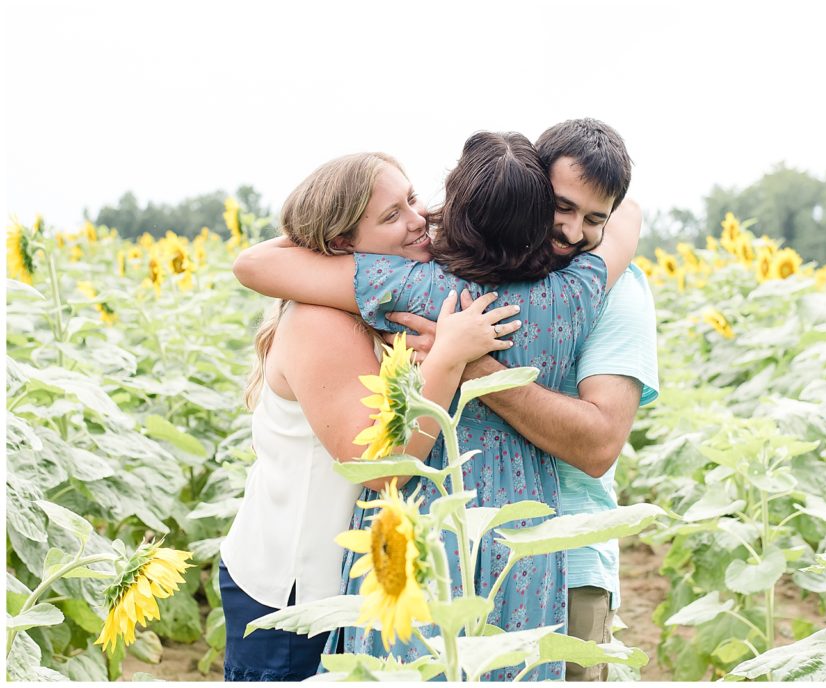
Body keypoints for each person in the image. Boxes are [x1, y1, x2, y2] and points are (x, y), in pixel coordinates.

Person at [232, 130, 642, 680]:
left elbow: (255, 264)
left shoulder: (416, 288)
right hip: (300, 577)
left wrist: (457, 358)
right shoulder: (578, 289)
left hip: (412, 534)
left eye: (417, 203)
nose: (420, 220)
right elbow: (629, 219)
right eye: (559, 208)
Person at [219, 152, 524, 681]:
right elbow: (378, 466)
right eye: (391, 216)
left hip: (343, 582)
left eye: (411, 198)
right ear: (340, 245)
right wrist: (452, 357)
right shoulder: (321, 322)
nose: (417, 219)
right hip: (292, 591)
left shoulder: (372, 300)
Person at [384, 118, 659, 681]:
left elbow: (600, 443)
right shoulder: (463, 265)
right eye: (562, 206)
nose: (574, 231)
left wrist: (466, 361)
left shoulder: (617, 292)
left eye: (594, 219)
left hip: (567, 562)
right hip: (453, 553)